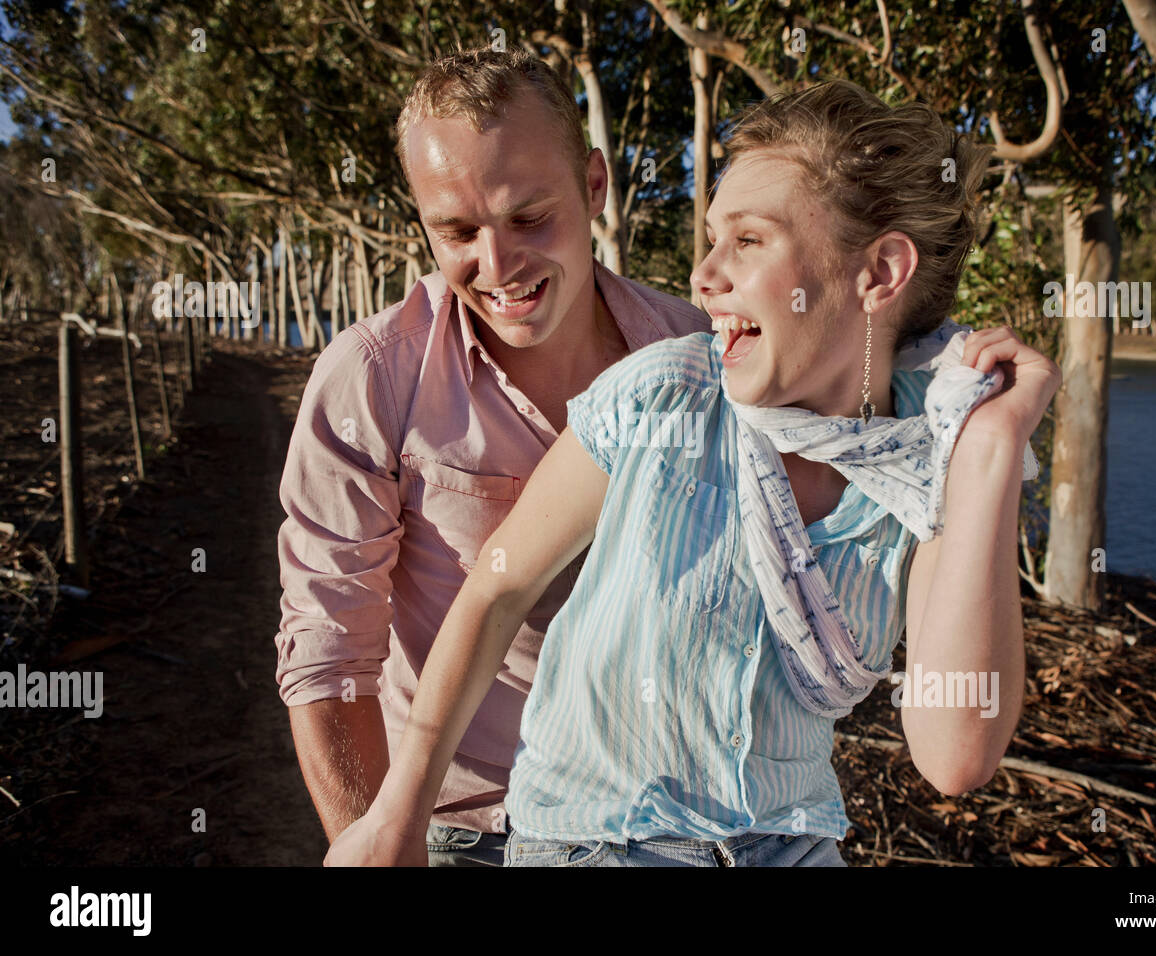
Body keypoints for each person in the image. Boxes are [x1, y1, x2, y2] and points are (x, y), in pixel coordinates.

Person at [325, 78, 1061, 867]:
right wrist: (397, 815)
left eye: (748, 241)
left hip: (796, 848)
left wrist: (987, 456)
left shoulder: (930, 456)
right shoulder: (660, 393)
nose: (704, 277)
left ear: (880, 273)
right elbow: (496, 589)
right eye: (712, 238)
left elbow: (955, 756)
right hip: (597, 843)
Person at [274, 47, 711, 867]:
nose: (498, 265)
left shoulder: (695, 353)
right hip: (470, 828)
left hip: (673, 814)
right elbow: (330, 655)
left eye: (527, 217)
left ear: (593, 185)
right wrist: (377, 837)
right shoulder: (372, 381)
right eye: (458, 231)